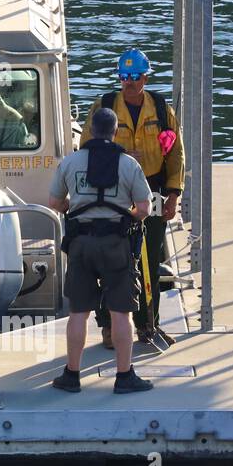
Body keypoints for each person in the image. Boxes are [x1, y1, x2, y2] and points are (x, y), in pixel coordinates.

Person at [83, 48, 185, 347]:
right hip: (114, 192)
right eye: (123, 76)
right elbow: (86, 146)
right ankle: (110, 326)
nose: (128, 82)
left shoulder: (161, 108)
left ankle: (147, 324)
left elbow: (176, 152)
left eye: (134, 77)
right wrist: (121, 154)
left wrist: (173, 194)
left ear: (145, 77)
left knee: (150, 256)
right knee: (112, 257)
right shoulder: (104, 106)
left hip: (151, 188)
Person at [48, 107, 154, 394]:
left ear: (91, 131)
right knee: (121, 313)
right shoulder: (128, 164)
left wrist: (76, 209)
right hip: (116, 244)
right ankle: (124, 376)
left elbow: (54, 202)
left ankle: (71, 375)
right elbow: (144, 208)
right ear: (115, 131)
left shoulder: (70, 162)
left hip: (81, 244)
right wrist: (124, 217)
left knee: (78, 312)